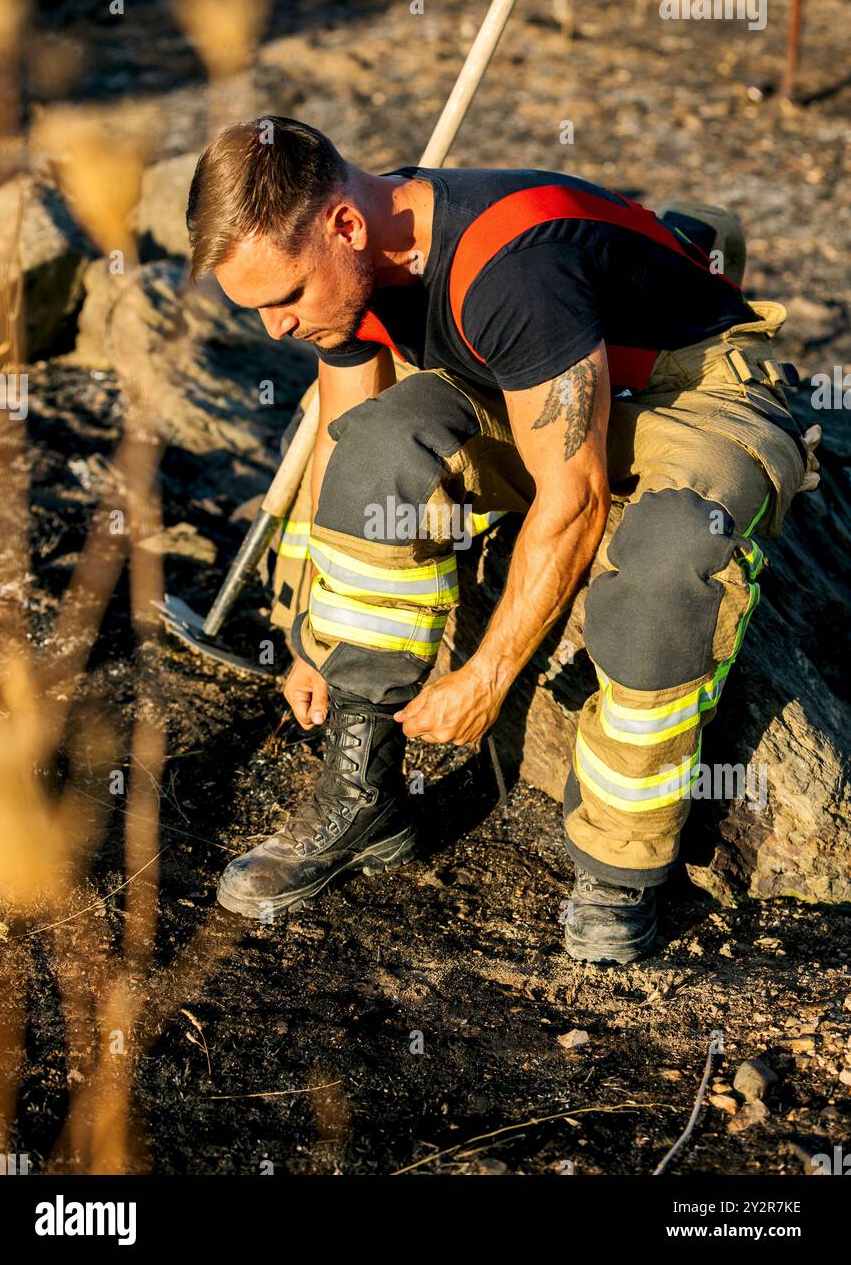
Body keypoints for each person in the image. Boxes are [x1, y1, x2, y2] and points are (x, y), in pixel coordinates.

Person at [185, 116, 819, 963]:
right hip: (537, 396)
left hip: (693, 392)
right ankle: (361, 797)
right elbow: (348, 441)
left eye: (285, 298)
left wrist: (488, 675)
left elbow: (577, 496)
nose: (276, 329)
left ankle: (619, 871)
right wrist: (314, 635)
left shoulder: (512, 268)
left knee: (663, 564)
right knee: (382, 447)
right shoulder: (358, 276)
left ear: (344, 225)